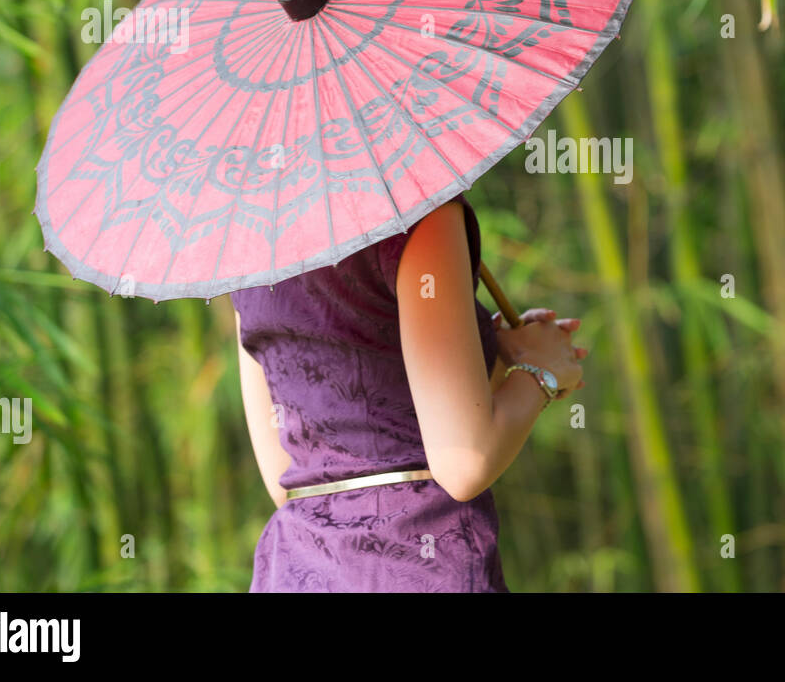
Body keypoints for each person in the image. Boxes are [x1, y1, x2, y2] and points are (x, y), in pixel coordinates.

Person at [232, 194, 585, 592]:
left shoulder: (246, 239)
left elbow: (287, 479)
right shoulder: (415, 208)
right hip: (415, 562)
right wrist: (541, 372)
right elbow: (464, 463)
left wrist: (495, 353)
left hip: (297, 570)